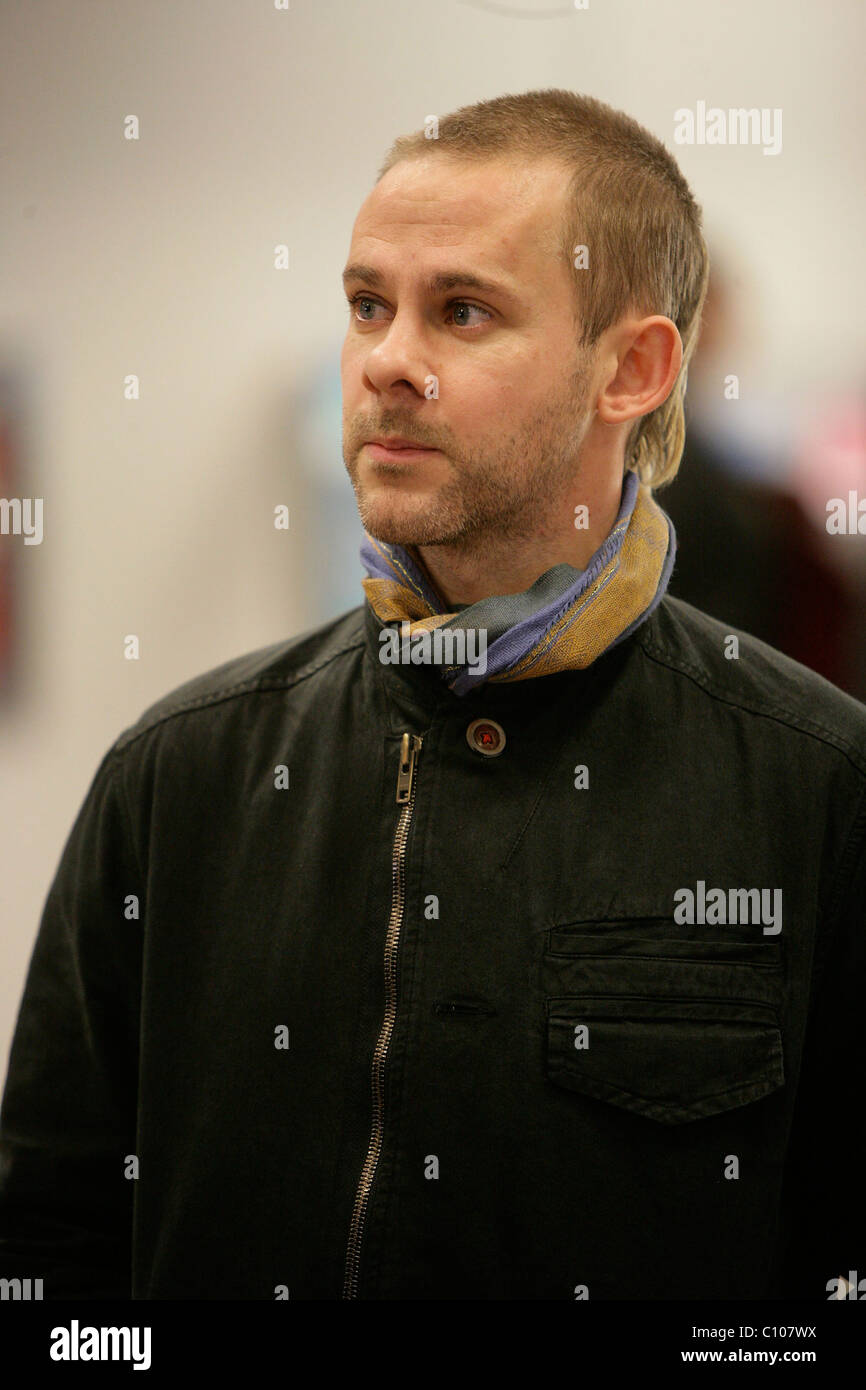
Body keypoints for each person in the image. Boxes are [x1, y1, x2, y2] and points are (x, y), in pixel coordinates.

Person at [1, 89, 863, 1302]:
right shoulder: (177, 771)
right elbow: (45, 1247)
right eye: (367, 305)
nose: (386, 361)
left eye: (461, 310)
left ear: (631, 367)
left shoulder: (817, 786)